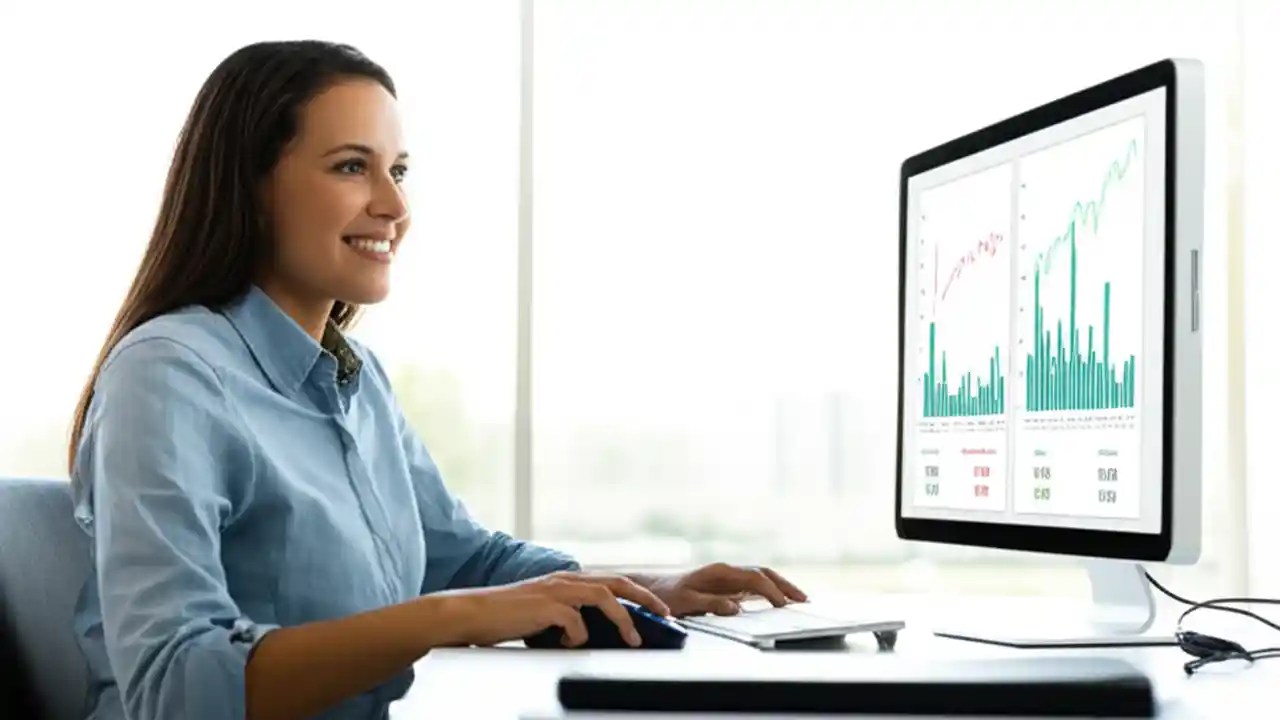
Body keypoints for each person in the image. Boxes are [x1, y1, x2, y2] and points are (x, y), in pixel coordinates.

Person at [67, 40, 807, 720]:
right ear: (252, 188)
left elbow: (466, 561)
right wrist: (448, 618)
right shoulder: (169, 376)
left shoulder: (356, 379)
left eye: (398, 171)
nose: (395, 207)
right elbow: (175, 687)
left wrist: (647, 590)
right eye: (351, 167)